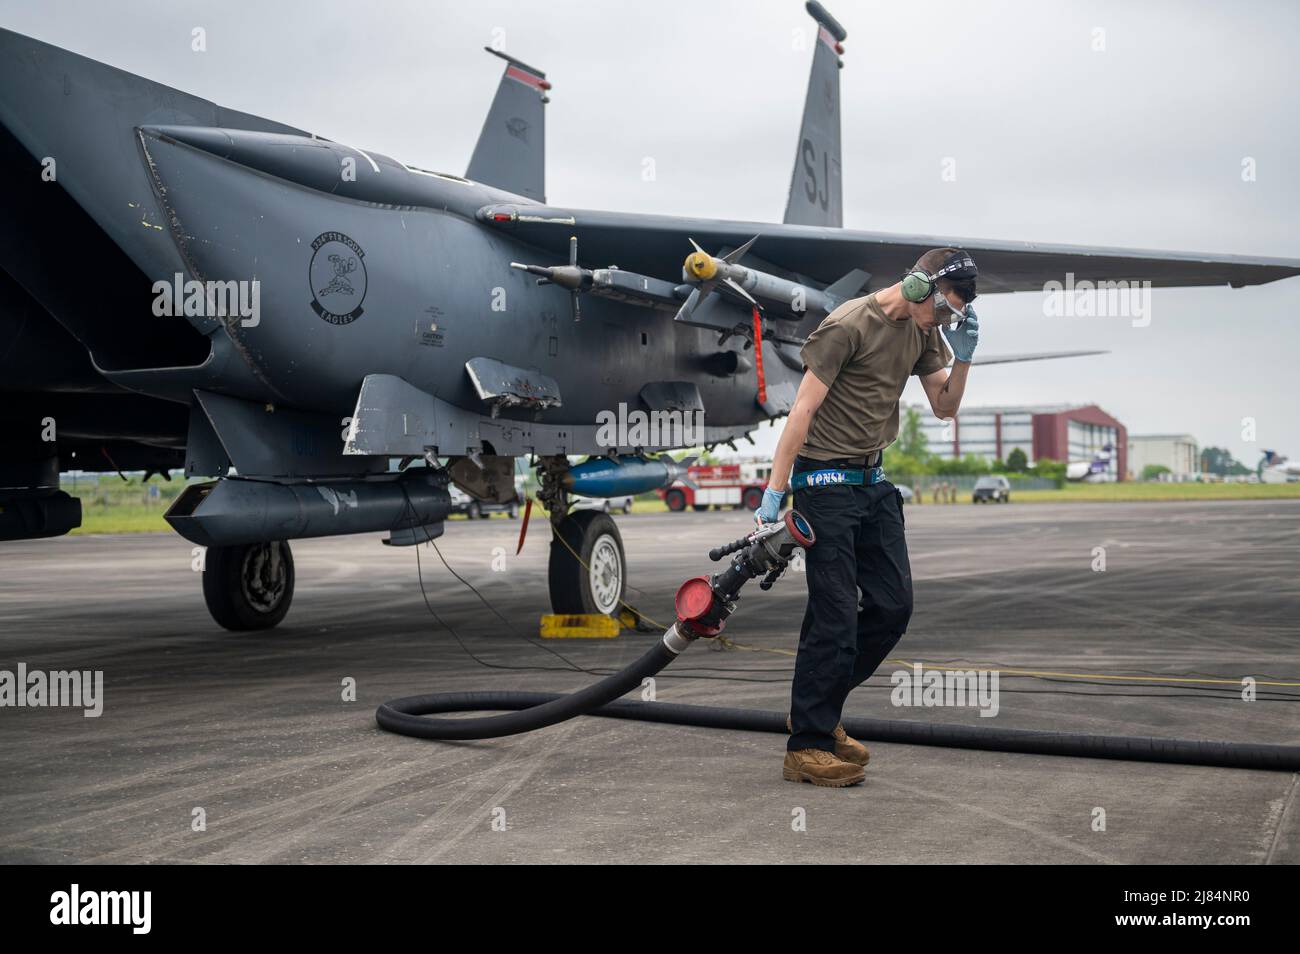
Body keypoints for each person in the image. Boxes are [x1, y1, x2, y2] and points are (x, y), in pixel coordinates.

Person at [756, 248, 980, 787]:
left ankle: (819, 707)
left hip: (872, 483)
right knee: (834, 617)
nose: (945, 323)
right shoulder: (848, 325)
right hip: (824, 485)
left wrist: (965, 357)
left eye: (955, 318)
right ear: (919, 286)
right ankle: (807, 745)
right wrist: (774, 492)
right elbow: (802, 411)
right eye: (944, 311)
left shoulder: (925, 332)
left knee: (893, 606)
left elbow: (945, 407)